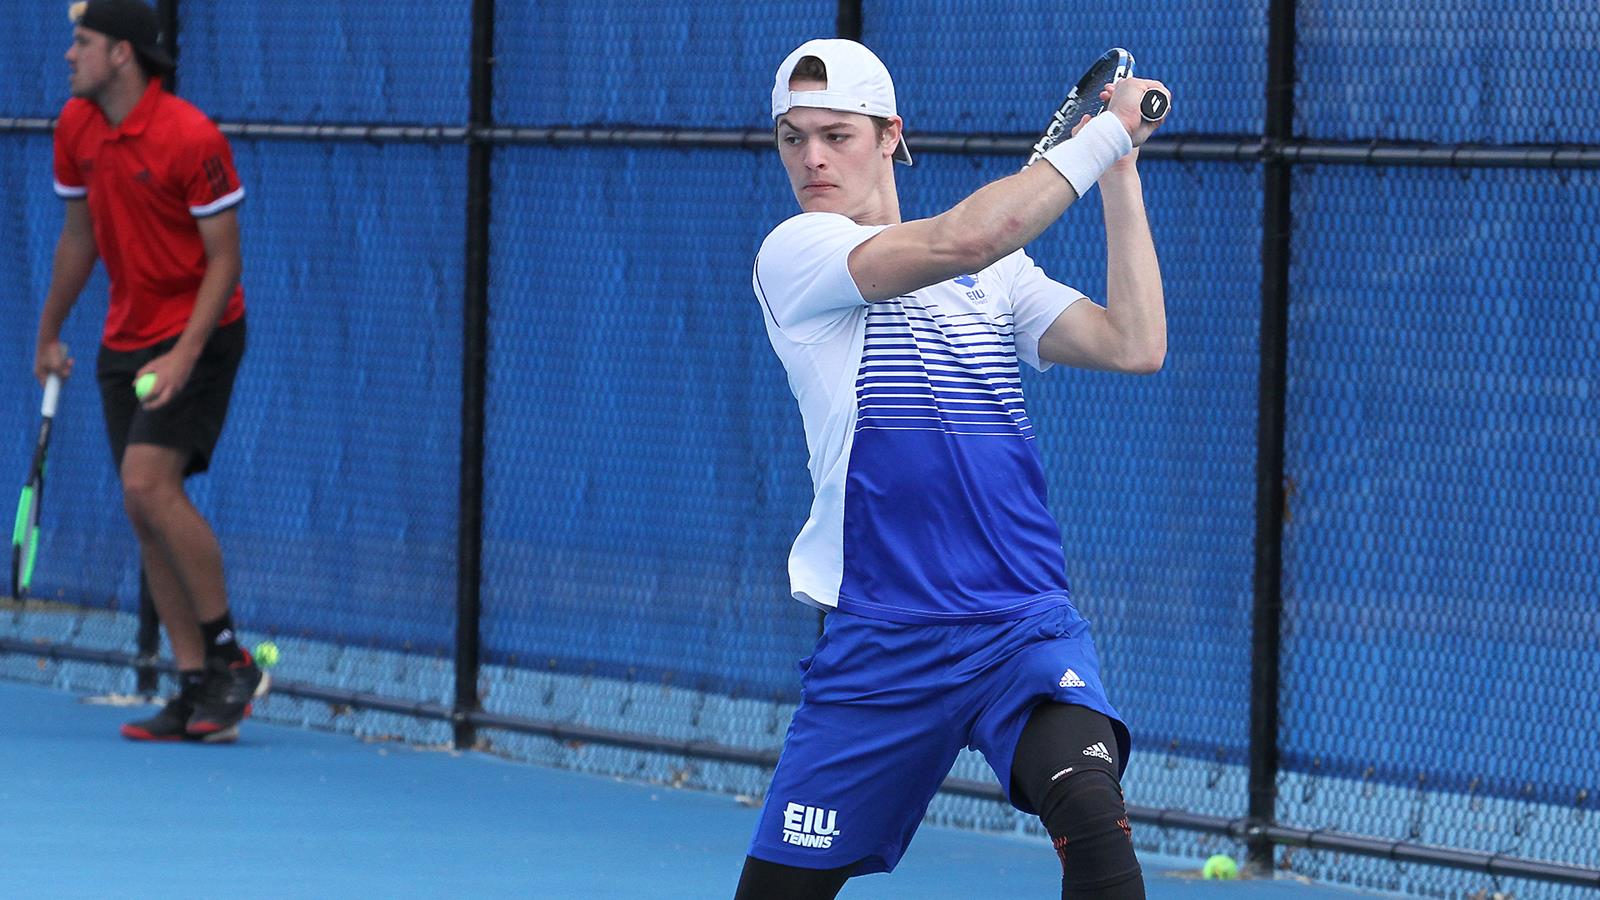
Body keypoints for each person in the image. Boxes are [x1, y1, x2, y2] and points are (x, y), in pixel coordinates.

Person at [736, 39, 1171, 899]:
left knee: (1093, 818)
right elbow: (964, 238)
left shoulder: (997, 279)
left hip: (1020, 624)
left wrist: (1119, 164)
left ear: (892, 135)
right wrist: (1097, 138)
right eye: (793, 138)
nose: (813, 158)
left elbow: (1135, 344)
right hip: (883, 638)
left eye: (838, 134)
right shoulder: (800, 255)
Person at [34, 0, 264, 743]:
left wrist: (185, 354)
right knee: (142, 508)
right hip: (125, 338)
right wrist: (48, 331)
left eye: (83, 41)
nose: (70, 55)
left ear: (124, 54)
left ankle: (231, 661)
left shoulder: (189, 137)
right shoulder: (76, 128)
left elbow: (224, 261)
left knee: (146, 484)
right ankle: (197, 686)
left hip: (201, 332)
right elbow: (80, 236)